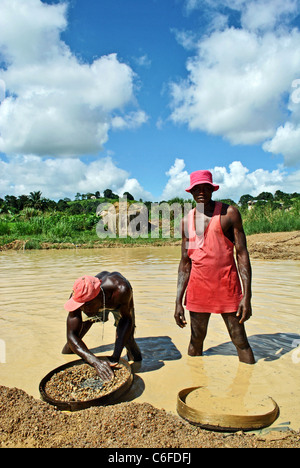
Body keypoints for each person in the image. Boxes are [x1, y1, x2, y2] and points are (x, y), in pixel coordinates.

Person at [174, 170, 255, 364]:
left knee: (240, 340)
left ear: (212, 189)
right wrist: (178, 301)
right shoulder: (186, 221)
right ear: (191, 192)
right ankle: (196, 380)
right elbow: (185, 263)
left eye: (205, 188)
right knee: (195, 340)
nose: (201, 192)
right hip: (198, 289)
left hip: (228, 287)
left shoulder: (229, 213)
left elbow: (242, 253)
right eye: (197, 189)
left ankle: (249, 385)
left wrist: (247, 296)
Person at [62, 272, 142, 382]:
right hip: (97, 303)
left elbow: (126, 320)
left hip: (119, 304)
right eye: (81, 307)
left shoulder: (121, 290)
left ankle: (138, 362)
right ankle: (66, 355)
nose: (84, 310)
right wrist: (95, 361)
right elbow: (71, 335)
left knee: (128, 340)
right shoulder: (78, 297)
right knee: (71, 345)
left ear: (99, 296)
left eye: (87, 305)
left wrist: (115, 357)